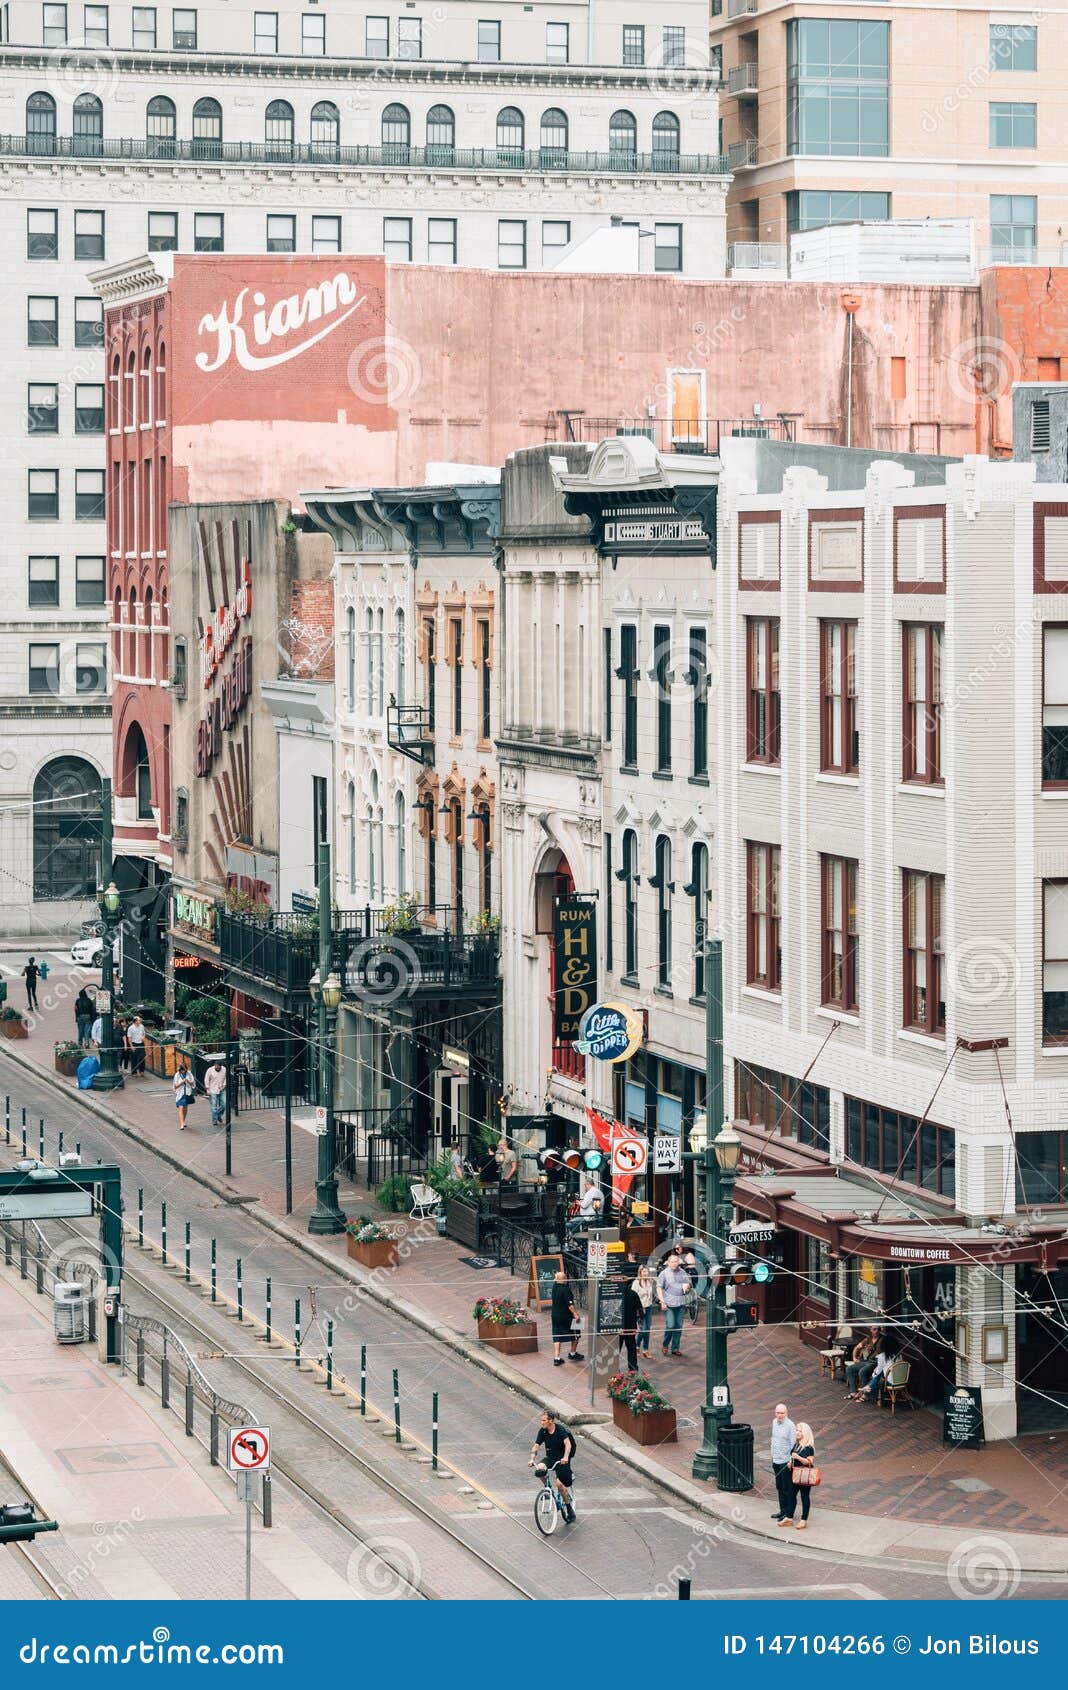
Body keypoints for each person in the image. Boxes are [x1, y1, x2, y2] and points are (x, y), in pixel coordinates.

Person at [529, 1409, 576, 1523]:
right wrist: (532, 1459)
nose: (542, 1422)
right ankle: (548, 1489)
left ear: (551, 1420)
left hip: (562, 1459)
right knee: (539, 1469)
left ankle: (569, 1508)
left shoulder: (560, 1430)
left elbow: (568, 1444)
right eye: (541, 1420)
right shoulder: (543, 1431)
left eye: (544, 1420)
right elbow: (536, 1446)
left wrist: (565, 1457)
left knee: (560, 1485)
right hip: (550, 1458)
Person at [781, 1421, 817, 1530]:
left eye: (799, 1431)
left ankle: (803, 1520)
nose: (796, 1432)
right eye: (796, 1430)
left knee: (804, 1497)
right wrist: (790, 1463)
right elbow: (792, 1458)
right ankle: (789, 1517)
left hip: (804, 1475)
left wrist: (798, 1457)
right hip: (795, 1474)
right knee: (791, 1495)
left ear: (805, 1433)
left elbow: (809, 1461)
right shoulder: (796, 1444)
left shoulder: (808, 1447)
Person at [657, 1249, 691, 1357]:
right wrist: (662, 1302)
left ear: (678, 1262)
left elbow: (687, 1285)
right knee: (671, 1325)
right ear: (668, 1262)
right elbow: (658, 1288)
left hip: (680, 1304)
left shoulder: (682, 1272)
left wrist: (687, 1288)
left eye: (676, 1262)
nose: (674, 1264)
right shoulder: (664, 1273)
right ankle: (665, 1344)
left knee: (678, 1326)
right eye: (672, 1262)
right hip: (669, 1304)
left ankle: (675, 1348)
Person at [769, 1401, 798, 1521]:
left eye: (782, 1413)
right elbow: (774, 1439)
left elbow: (793, 1445)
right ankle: (782, 1511)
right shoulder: (774, 1422)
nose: (780, 1415)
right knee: (779, 1487)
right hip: (776, 1459)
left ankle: (788, 1513)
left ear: (786, 1413)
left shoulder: (790, 1425)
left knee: (787, 1488)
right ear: (775, 1413)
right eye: (778, 1413)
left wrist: (790, 1461)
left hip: (785, 1462)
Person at [549, 1267, 584, 1365]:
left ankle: (557, 1358)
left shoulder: (554, 1287)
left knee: (557, 1335)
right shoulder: (566, 1290)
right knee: (576, 1332)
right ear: (565, 1280)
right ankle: (573, 1353)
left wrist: (557, 1276)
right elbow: (570, 1305)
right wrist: (576, 1314)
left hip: (555, 1315)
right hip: (566, 1317)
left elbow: (556, 1279)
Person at [855, 1334, 899, 1405]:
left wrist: (874, 1373)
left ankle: (868, 1387)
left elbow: (877, 1372)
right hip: (901, 1380)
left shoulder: (882, 1356)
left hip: (890, 1382)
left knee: (878, 1374)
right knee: (882, 1372)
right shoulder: (899, 1355)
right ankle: (869, 1387)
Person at [843, 1328, 879, 1397]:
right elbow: (857, 1348)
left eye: (877, 1329)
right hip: (866, 1361)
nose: (876, 1331)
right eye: (874, 1329)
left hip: (875, 1363)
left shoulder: (881, 1341)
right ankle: (853, 1392)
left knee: (862, 1371)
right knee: (849, 1369)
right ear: (870, 1330)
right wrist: (854, 1357)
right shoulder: (868, 1339)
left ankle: (865, 1394)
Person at [620, 1274, 645, 1373]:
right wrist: (640, 1321)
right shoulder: (633, 1293)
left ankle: (613, 1367)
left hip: (619, 1326)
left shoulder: (615, 1294)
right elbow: (640, 1309)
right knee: (631, 1347)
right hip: (631, 1325)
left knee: (617, 1347)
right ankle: (633, 1368)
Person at [632, 1263, 655, 1359]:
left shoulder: (650, 1281)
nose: (646, 1273)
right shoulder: (636, 1283)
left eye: (647, 1271)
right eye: (644, 1271)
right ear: (640, 1272)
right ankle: (637, 1346)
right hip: (640, 1309)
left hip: (648, 1307)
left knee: (647, 1329)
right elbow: (633, 1296)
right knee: (643, 1329)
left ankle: (645, 1350)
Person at [173, 1059, 196, 1130]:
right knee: (181, 1107)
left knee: (185, 1108)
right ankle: (181, 1124)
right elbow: (175, 1086)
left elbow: (193, 1084)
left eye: (184, 1070)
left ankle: (183, 1121)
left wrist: (188, 1081)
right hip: (180, 1094)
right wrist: (181, 1082)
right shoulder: (177, 1075)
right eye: (182, 1070)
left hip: (187, 1093)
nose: (183, 1071)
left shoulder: (189, 1073)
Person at [204, 1057, 228, 1126]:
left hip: (221, 1089)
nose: (218, 1068)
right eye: (216, 1067)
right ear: (215, 1065)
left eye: (219, 1067)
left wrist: (224, 1086)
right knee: (214, 1106)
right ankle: (215, 1120)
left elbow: (226, 1078)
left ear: (221, 1066)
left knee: (224, 1104)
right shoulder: (210, 1070)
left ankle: (218, 1115)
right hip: (213, 1089)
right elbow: (206, 1079)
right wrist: (207, 1089)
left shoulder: (224, 1069)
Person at [126, 1012, 146, 1076]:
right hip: (134, 1043)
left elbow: (144, 1033)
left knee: (142, 1057)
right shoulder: (130, 1028)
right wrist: (131, 1046)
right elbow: (129, 1038)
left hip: (141, 1043)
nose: (140, 1021)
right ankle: (134, 1072)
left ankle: (142, 1071)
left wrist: (143, 1037)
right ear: (135, 1021)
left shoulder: (142, 1026)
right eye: (139, 1020)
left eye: (140, 1020)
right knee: (134, 1058)